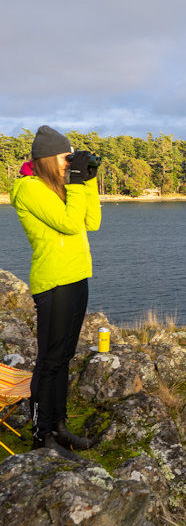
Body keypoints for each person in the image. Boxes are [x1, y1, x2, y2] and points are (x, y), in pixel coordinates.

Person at [10, 125, 101, 455]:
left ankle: (58, 426)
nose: (69, 162)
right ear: (49, 158)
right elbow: (69, 223)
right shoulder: (28, 188)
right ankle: (41, 435)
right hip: (54, 282)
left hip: (77, 277)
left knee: (64, 357)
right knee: (50, 360)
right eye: (66, 157)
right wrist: (76, 182)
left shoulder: (62, 186)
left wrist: (87, 181)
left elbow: (91, 221)